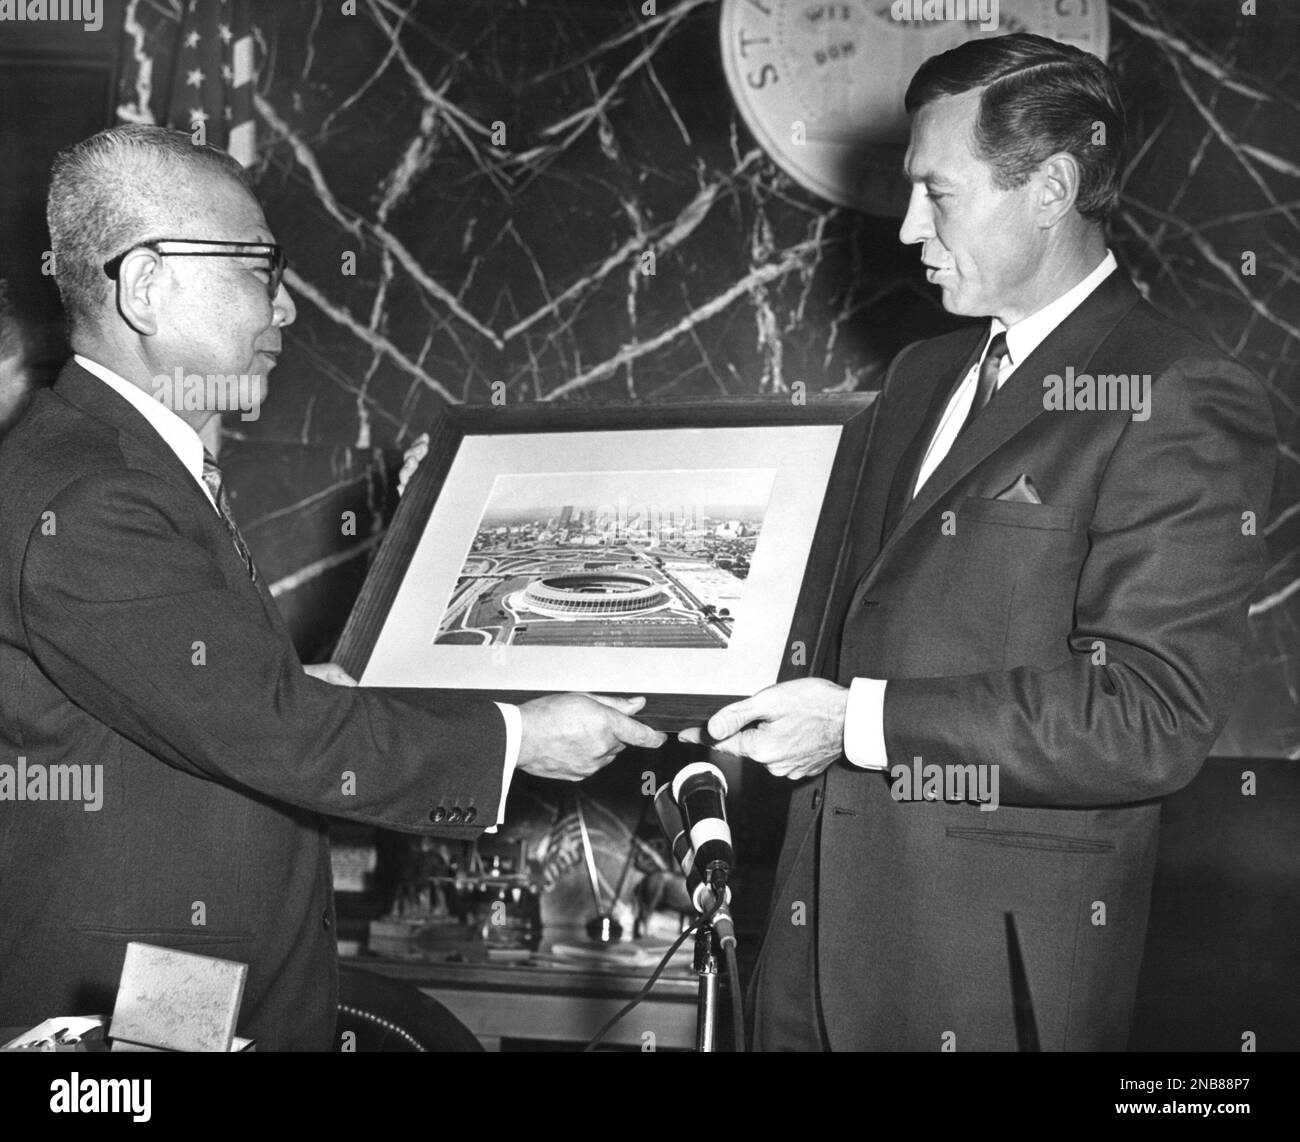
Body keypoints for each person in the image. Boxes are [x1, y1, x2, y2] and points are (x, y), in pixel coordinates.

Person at [0, 125, 665, 1050]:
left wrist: (429, 542)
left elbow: (215, 699)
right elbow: (270, 727)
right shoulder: (96, 491)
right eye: (257, 270)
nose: (288, 310)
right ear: (147, 286)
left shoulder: (120, 464)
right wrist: (518, 740)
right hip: (136, 1009)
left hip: (177, 986)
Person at [684, 34, 1276, 1050]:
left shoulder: (1172, 390)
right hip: (808, 946)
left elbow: (1148, 715)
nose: (909, 225)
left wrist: (857, 723)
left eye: (938, 194)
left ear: (1049, 188)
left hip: (984, 980)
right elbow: (845, 615)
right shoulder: (921, 373)